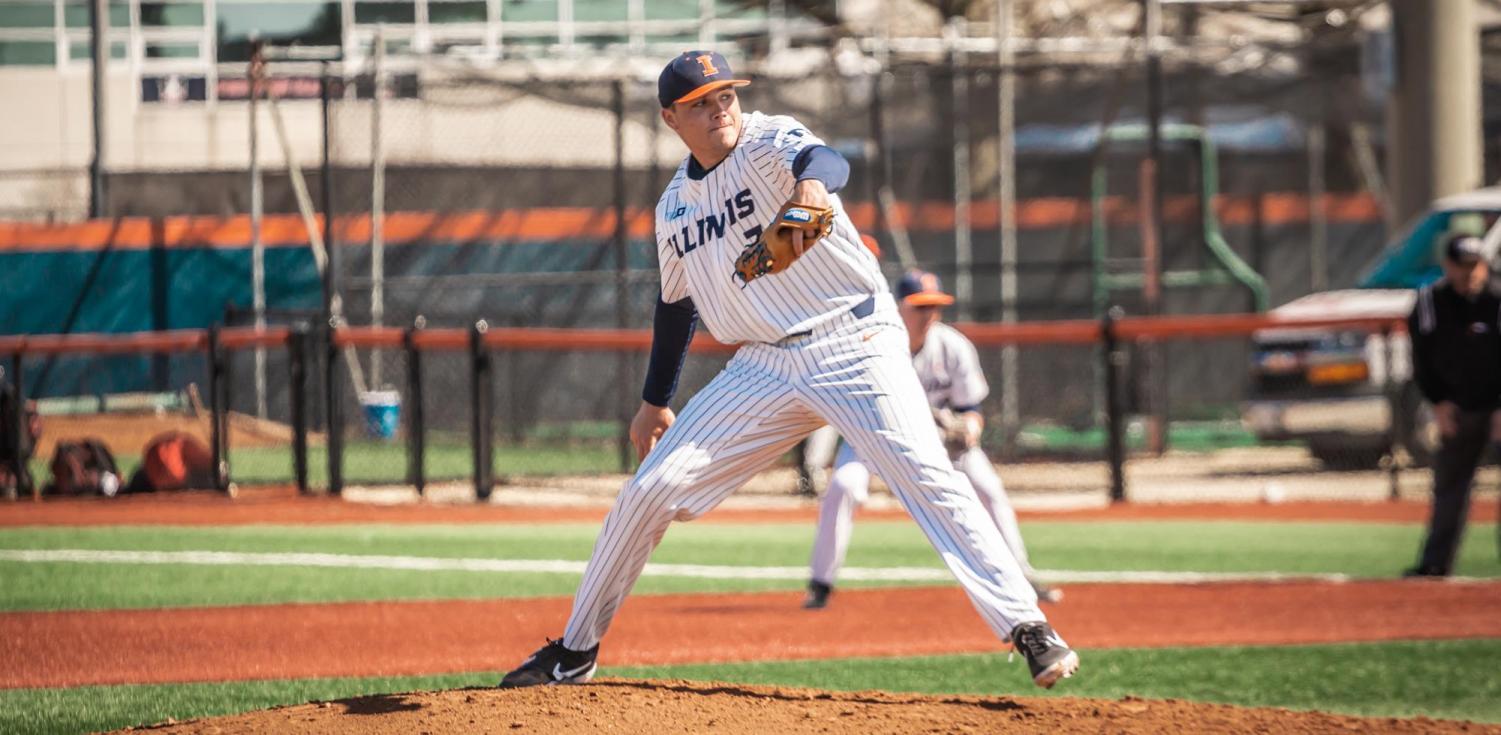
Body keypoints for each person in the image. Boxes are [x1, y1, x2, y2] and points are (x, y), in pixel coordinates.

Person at [499, 50, 1079, 690]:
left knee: (924, 474)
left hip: (855, 337)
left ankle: (1029, 627)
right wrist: (653, 401)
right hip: (764, 365)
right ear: (670, 117)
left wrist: (809, 186)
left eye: (726, 96)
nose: (720, 109)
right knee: (647, 493)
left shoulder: (769, 139)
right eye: (702, 103)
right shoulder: (673, 210)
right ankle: (576, 650)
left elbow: (827, 163)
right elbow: (676, 307)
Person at [803, 270, 1061, 610]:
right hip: (872, 437)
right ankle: (821, 584)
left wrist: (970, 428)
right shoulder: (871, 343)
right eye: (920, 307)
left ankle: (1021, 574)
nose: (929, 315)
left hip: (939, 441)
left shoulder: (952, 346)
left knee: (988, 489)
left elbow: (971, 408)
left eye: (934, 307)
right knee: (844, 487)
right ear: (898, 308)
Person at [1405, 233, 1501, 577]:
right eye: (1462, 267)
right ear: (1447, 266)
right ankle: (1435, 564)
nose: (1469, 274)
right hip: (1456, 408)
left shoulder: (1497, 298)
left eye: (1475, 266)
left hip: (1497, 408)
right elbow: (1421, 359)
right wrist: (1438, 402)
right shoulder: (1431, 302)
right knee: (1449, 487)